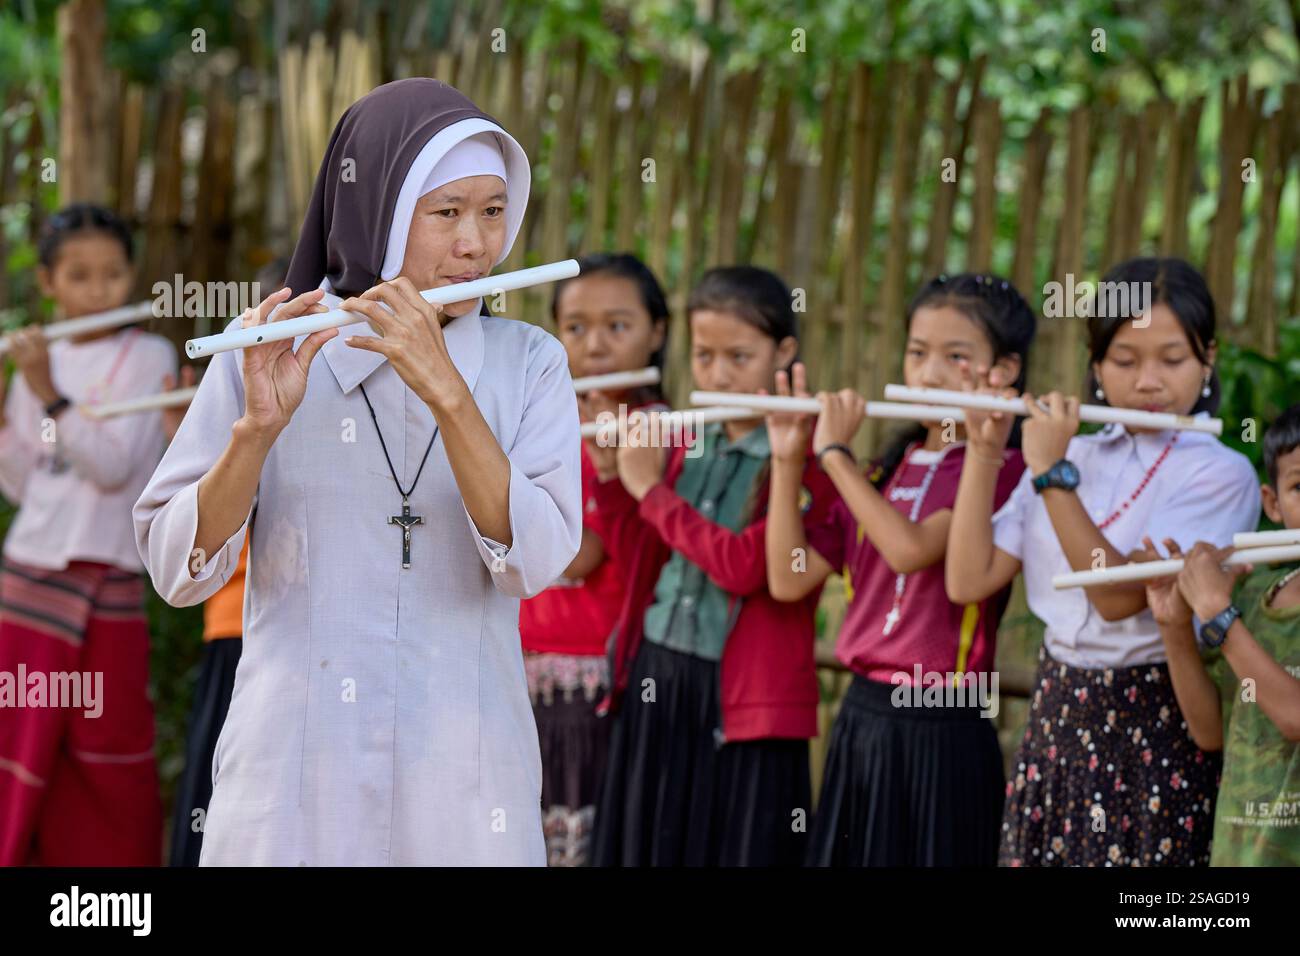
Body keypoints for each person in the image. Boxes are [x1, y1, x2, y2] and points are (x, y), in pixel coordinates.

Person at [133, 79, 582, 866]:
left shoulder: (530, 364)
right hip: (295, 772)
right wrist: (255, 433)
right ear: (374, 206)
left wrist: (447, 389)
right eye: (446, 212)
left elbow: (536, 562)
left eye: (492, 210)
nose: (476, 244)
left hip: (466, 774)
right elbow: (178, 571)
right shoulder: (269, 347)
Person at [946, 257, 1261, 866]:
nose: (1148, 382)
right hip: (1056, 713)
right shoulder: (1074, 450)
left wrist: (1051, 476)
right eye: (1124, 361)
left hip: (1153, 725)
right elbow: (967, 579)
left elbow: (1116, 598)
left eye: (1172, 360)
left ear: (1208, 359)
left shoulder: (1221, 472)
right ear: (1095, 366)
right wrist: (986, 452)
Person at [764, 273, 1036, 865]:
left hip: (944, 721)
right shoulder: (885, 471)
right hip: (863, 715)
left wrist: (833, 457)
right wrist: (789, 461)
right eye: (917, 353)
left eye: (955, 356)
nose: (929, 373)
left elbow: (909, 549)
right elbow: (788, 578)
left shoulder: (1004, 471)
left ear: (1005, 370)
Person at [589, 265, 837, 867]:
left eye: (739, 357)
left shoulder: (811, 462)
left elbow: (747, 568)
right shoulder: (683, 439)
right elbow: (642, 558)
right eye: (703, 357)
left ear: (784, 352)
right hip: (659, 674)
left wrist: (650, 492)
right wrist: (612, 477)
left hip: (742, 700)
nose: (718, 375)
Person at [0, 203, 175, 865]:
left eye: (110, 273)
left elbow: (109, 469)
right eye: (77, 275)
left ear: (130, 275)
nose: (96, 289)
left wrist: (49, 394)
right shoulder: (35, 360)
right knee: (23, 741)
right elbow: (27, 481)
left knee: (108, 747)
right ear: (48, 281)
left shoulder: (146, 355)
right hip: (28, 580)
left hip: (105, 581)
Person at [520, 253, 669, 866]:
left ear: (658, 333)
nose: (595, 345)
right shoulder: (539, 420)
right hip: (521, 668)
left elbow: (578, 555)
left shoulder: (661, 430)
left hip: (597, 681)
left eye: (618, 325)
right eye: (576, 327)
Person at [165, 256, 287, 867]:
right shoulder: (239, 395)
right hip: (233, 630)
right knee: (224, 806)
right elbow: (179, 544)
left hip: (306, 642)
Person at [1143, 402, 1300, 866]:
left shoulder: (1229, 618)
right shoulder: (1252, 598)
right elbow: (1210, 730)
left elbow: (1295, 717)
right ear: (1273, 503)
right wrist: (1174, 623)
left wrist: (1217, 615)